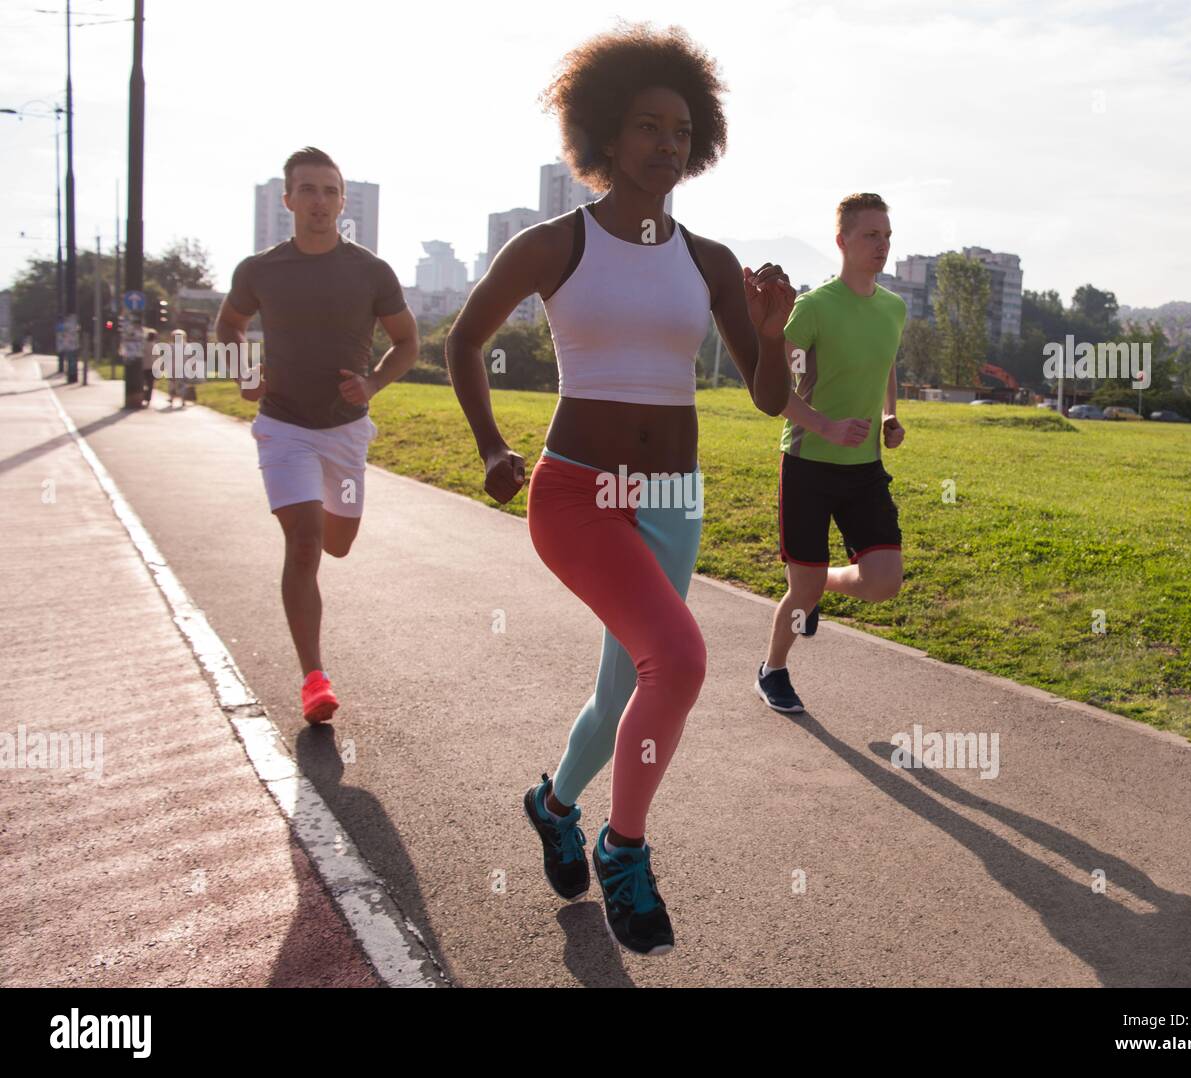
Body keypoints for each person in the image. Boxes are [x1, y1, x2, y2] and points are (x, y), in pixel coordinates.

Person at [446, 24, 791, 956]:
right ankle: (622, 848)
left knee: (621, 693)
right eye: (647, 126)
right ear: (603, 133)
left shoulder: (712, 261)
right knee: (676, 661)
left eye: (681, 130)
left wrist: (772, 329)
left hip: (674, 501)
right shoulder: (553, 244)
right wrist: (488, 446)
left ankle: (552, 804)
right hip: (577, 493)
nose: (666, 145)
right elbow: (462, 341)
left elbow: (770, 400)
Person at [214, 146, 418, 724]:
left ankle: (314, 661)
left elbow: (408, 343)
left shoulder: (371, 271)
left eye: (330, 191)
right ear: (288, 201)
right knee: (304, 541)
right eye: (308, 190)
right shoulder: (260, 270)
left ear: (342, 202)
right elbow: (229, 323)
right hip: (282, 426)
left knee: (338, 543)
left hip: (346, 433)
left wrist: (373, 384)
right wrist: (244, 370)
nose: (319, 202)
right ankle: (313, 679)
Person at [755, 193, 908, 713]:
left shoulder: (893, 308)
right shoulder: (812, 309)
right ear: (842, 241)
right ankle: (772, 669)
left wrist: (888, 414)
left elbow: (885, 363)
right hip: (807, 467)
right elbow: (772, 386)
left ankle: (823, 587)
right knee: (801, 591)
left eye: (887, 235)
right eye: (871, 235)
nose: (882, 245)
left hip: (864, 469)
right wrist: (825, 425)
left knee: (885, 582)